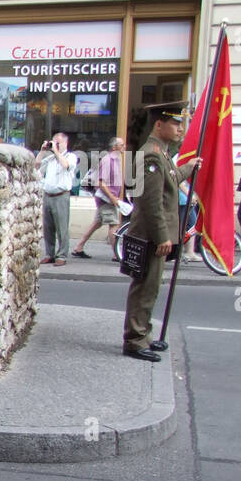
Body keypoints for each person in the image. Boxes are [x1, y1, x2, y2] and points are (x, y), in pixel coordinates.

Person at [122, 107, 198, 362]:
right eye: (175, 124)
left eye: (181, 124)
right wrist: (163, 235)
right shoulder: (151, 156)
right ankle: (135, 339)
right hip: (151, 235)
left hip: (155, 233)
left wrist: (189, 167)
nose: (180, 129)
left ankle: (143, 334)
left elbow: (172, 178)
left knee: (151, 287)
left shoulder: (161, 153)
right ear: (158, 125)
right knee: (145, 288)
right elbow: (151, 202)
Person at [73, 137, 125, 258]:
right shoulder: (108, 160)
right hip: (106, 199)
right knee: (114, 225)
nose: (124, 147)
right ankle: (117, 254)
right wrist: (112, 197)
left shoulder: (116, 160)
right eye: (121, 145)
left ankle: (78, 247)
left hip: (109, 199)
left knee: (97, 223)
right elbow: (101, 182)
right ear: (114, 147)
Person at [38, 132, 76, 265]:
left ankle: (62, 255)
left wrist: (56, 151)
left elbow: (66, 165)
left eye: (58, 143)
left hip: (61, 196)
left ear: (66, 143)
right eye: (54, 142)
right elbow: (36, 166)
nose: (55, 145)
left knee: (62, 228)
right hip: (48, 195)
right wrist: (43, 151)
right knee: (48, 228)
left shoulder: (71, 156)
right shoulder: (50, 158)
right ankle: (50, 253)